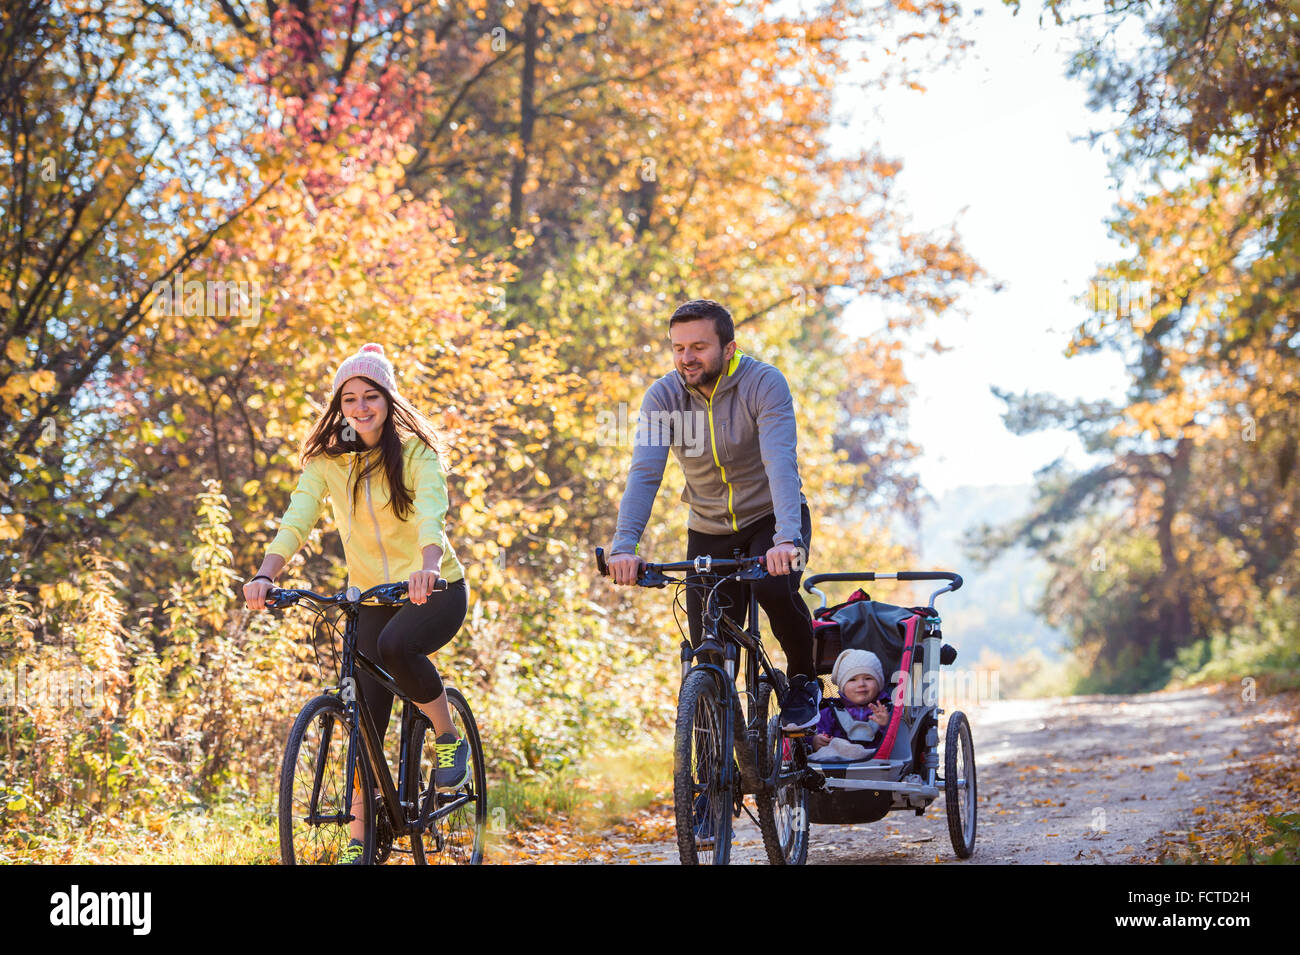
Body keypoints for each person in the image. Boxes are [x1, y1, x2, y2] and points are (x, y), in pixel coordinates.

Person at [242, 342, 469, 864]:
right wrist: (265, 574)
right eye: (350, 399)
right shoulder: (327, 463)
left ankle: (446, 733)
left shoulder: (416, 454)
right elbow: (297, 519)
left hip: (436, 589)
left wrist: (428, 564)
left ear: (389, 400)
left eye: (371, 396)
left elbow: (432, 511)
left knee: (395, 646)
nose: (361, 407)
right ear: (338, 406)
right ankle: (361, 839)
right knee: (363, 716)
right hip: (369, 596)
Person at [606, 299, 820, 732]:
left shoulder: (763, 383)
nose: (687, 358)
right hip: (708, 527)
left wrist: (787, 539)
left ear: (729, 347)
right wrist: (624, 546)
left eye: (699, 347)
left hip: (772, 519)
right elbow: (645, 473)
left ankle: (803, 681)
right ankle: (711, 780)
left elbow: (780, 462)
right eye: (678, 347)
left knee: (777, 590)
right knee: (711, 644)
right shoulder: (663, 397)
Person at [812, 649, 893, 758]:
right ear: (842, 686)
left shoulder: (888, 710)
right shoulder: (829, 712)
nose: (861, 684)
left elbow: (899, 742)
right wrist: (815, 740)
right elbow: (815, 732)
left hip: (876, 764)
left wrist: (886, 725)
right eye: (852, 679)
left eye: (868, 678)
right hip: (839, 766)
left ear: (879, 683)